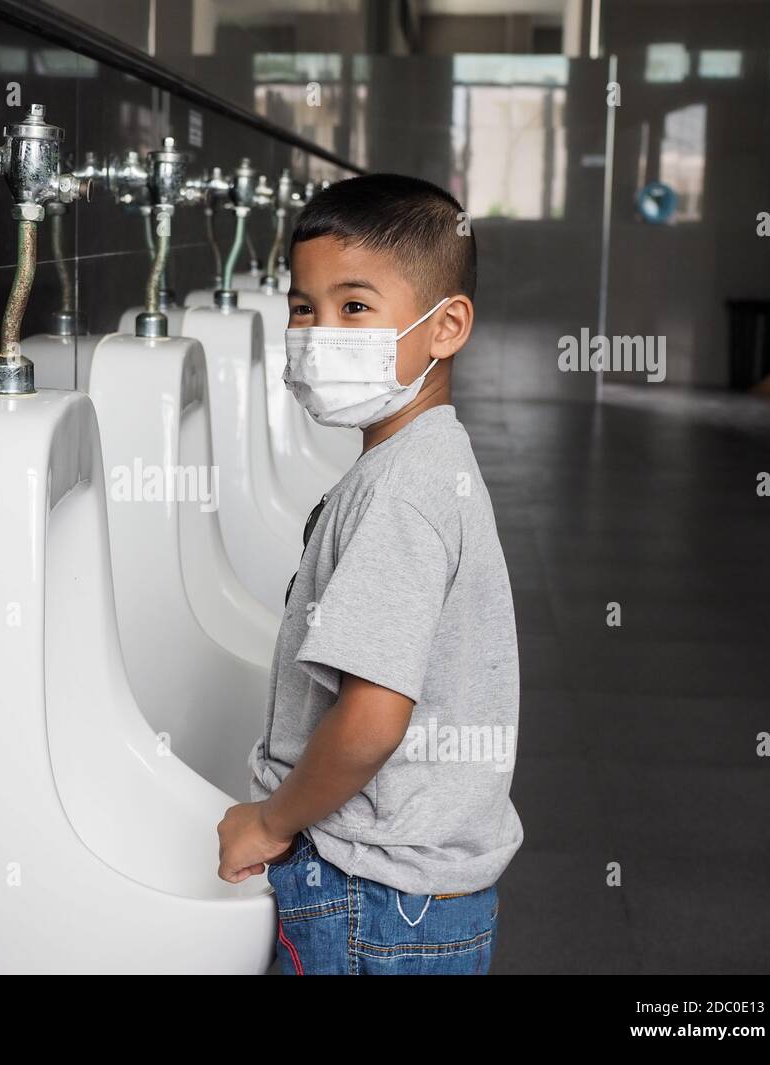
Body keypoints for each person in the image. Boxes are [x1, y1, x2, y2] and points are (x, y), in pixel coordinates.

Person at [216, 173, 523, 975]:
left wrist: (270, 821)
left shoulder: (401, 494)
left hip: (367, 894)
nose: (320, 331)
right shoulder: (423, 461)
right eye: (302, 307)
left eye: (355, 307)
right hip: (412, 897)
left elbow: (372, 718)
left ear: (446, 325)